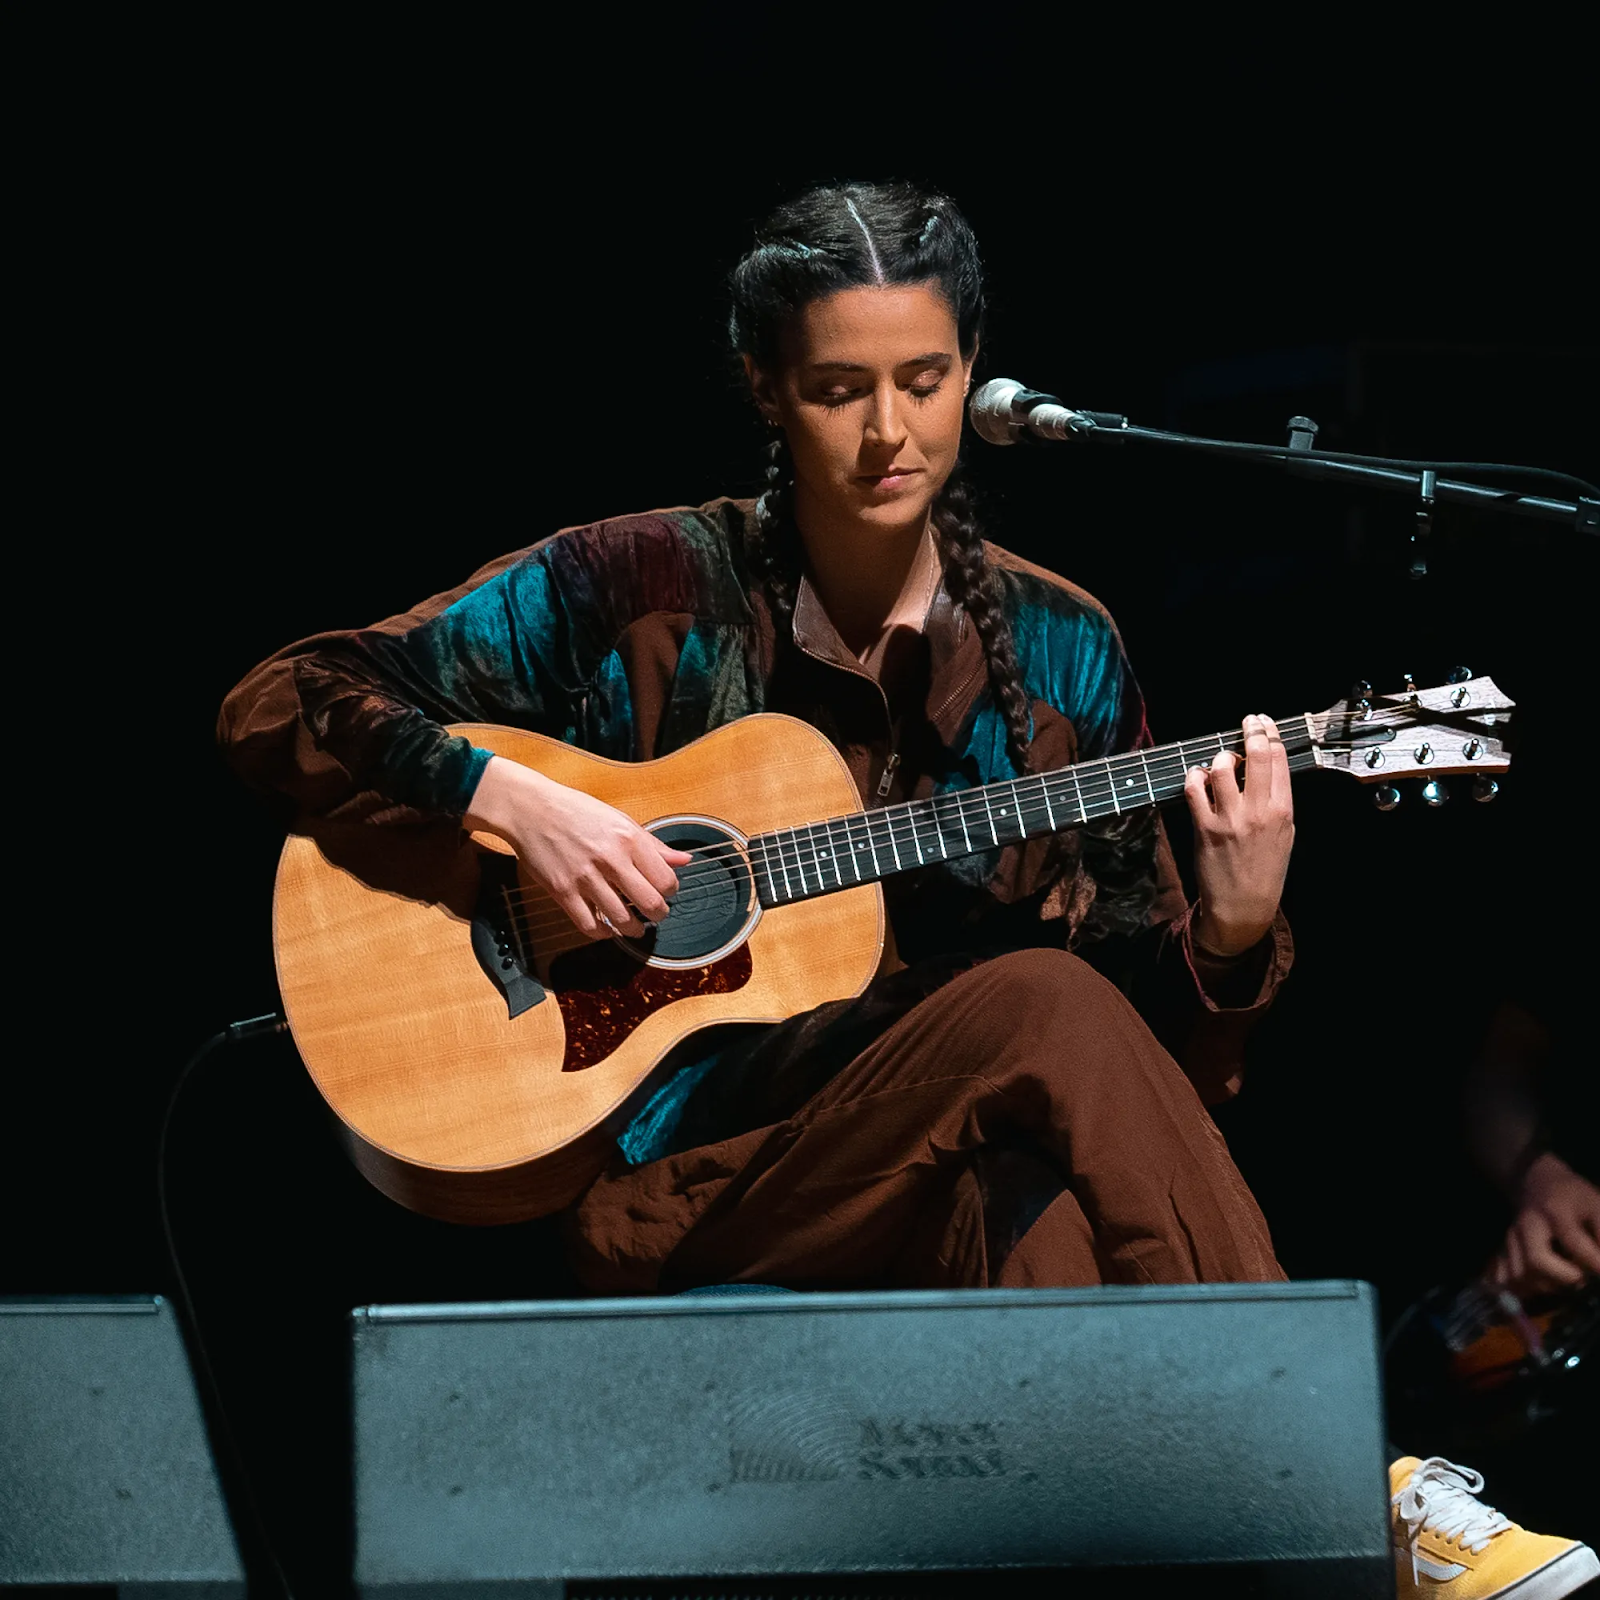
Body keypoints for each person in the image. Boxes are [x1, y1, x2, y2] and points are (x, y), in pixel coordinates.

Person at [219, 181, 1595, 1599]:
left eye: (927, 381)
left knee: (1050, 1208)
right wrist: (518, 804)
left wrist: (1233, 939)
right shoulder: (637, 583)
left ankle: (1297, 1550)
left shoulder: (1061, 652)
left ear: (976, 368)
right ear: (765, 385)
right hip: (686, 1186)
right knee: (1038, 1001)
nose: (891, 433)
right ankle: (1357, 1487)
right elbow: (284, 699)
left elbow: (1139, 1095)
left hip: (946, 1165)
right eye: (838, 388)